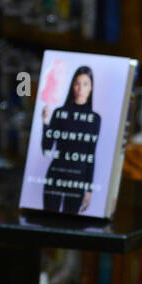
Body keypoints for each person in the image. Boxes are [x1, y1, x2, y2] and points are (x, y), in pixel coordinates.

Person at [40, 65, 100, 215]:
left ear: (91, 87)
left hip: (78, 179)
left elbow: (90, 155)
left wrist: (89, 189)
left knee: (69, 227)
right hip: (56, 175)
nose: (80, 89)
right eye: (77, 83)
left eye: (85, 84)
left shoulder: (95, 119)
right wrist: (46, 123)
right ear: (72, 86)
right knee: (48, 223)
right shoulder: (60, 113)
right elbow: (46, 149)